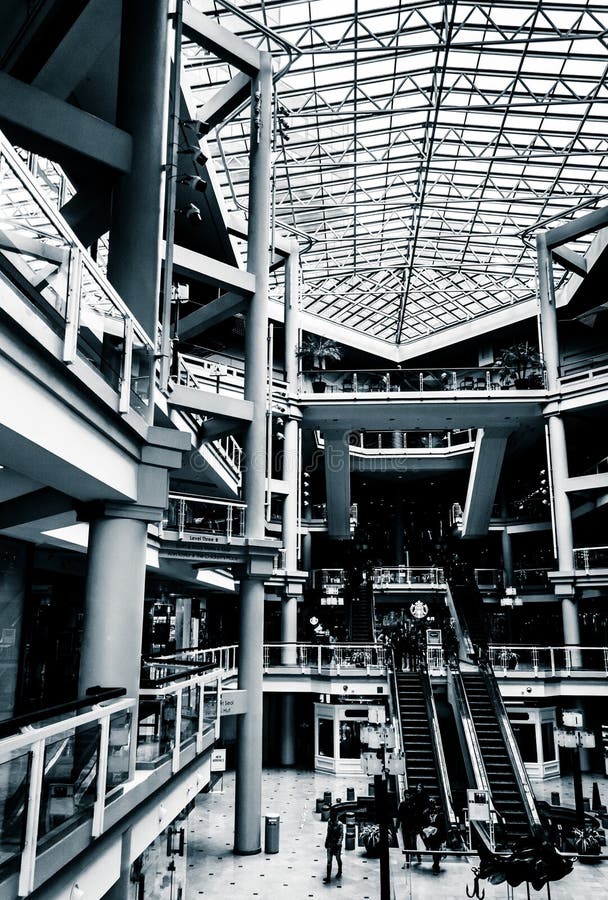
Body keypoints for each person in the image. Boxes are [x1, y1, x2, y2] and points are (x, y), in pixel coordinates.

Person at [420, 799, 447, 875]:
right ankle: (435, 863)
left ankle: (436, 865)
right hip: (430, 835)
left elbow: (442, 825)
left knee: (436, 850)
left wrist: (444, 837)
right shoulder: (426, 813)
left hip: (437, 834)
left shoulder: (439, 813)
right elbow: (423, 823)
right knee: (434, 850)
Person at [396, 789, 418, 868]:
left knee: (413, 843)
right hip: (405, 827)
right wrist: (397, 826)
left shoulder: (414, 804)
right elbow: (399, 816)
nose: (407, 796)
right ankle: (407, 861)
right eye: (406, 795)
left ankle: (417, 857)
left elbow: (416, 816)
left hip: (412, 827)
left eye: (408, 795)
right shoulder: (402, 804)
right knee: (406, 845)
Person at [323, 810, 343, 883]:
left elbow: (341, 836)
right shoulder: (329, 822)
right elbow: (328, 832)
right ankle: (328, 877)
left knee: (338, 858)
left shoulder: (340, 824)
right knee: (329, 860)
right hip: (330, 844)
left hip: (337, 845)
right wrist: (326, 841)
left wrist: (338, 843)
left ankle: (340, 871)